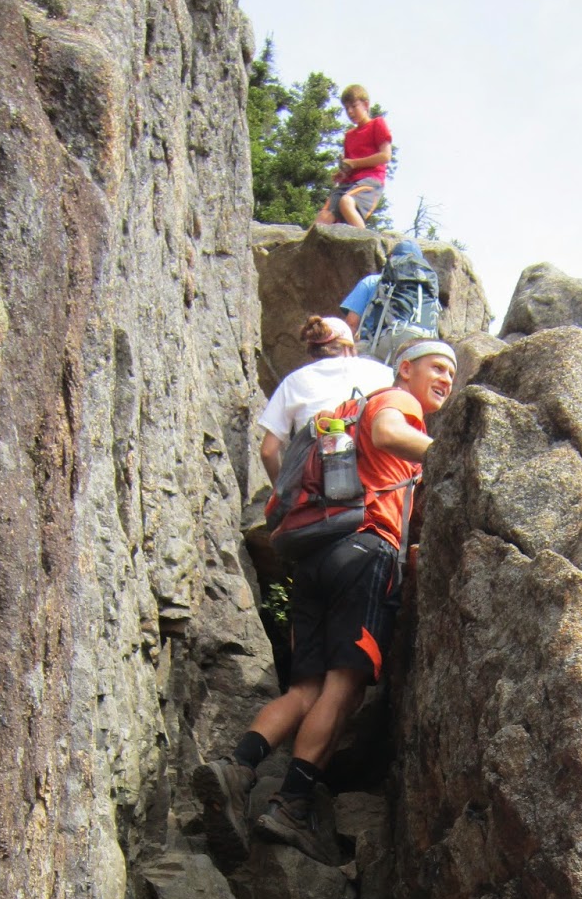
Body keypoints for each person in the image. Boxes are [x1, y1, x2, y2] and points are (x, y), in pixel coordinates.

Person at [194, 339, 458, 867]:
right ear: (405, 369)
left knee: (304, 688)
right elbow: (389, 433)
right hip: (364, 552)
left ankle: (238, 768)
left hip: (315, 556)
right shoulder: (396, 402)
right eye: (437, 366)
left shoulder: (341, 415)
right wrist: (451, 453)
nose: (446, 379)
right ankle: (291, 804)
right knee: (344, 686)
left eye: (452, 373)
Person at [259, 315, 393, 485]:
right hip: (373, 477)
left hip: (315, 482)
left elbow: (268, 451)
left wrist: (281, 490)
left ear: (312, 352)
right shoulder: (382, 373)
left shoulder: (293, 380)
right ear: (349, 347)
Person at [314, 85, 391, 229]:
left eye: (354, 106)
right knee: (324, 216)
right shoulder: (349, 135)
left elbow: (385, 156)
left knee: (346, 202)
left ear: (366, 105)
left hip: (370, 180)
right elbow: (351, 164)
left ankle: (365, 241)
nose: (350, 111)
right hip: (349, 182)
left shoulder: (377, 124)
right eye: (346, 108)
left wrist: (354, 163)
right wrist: (343, 173)